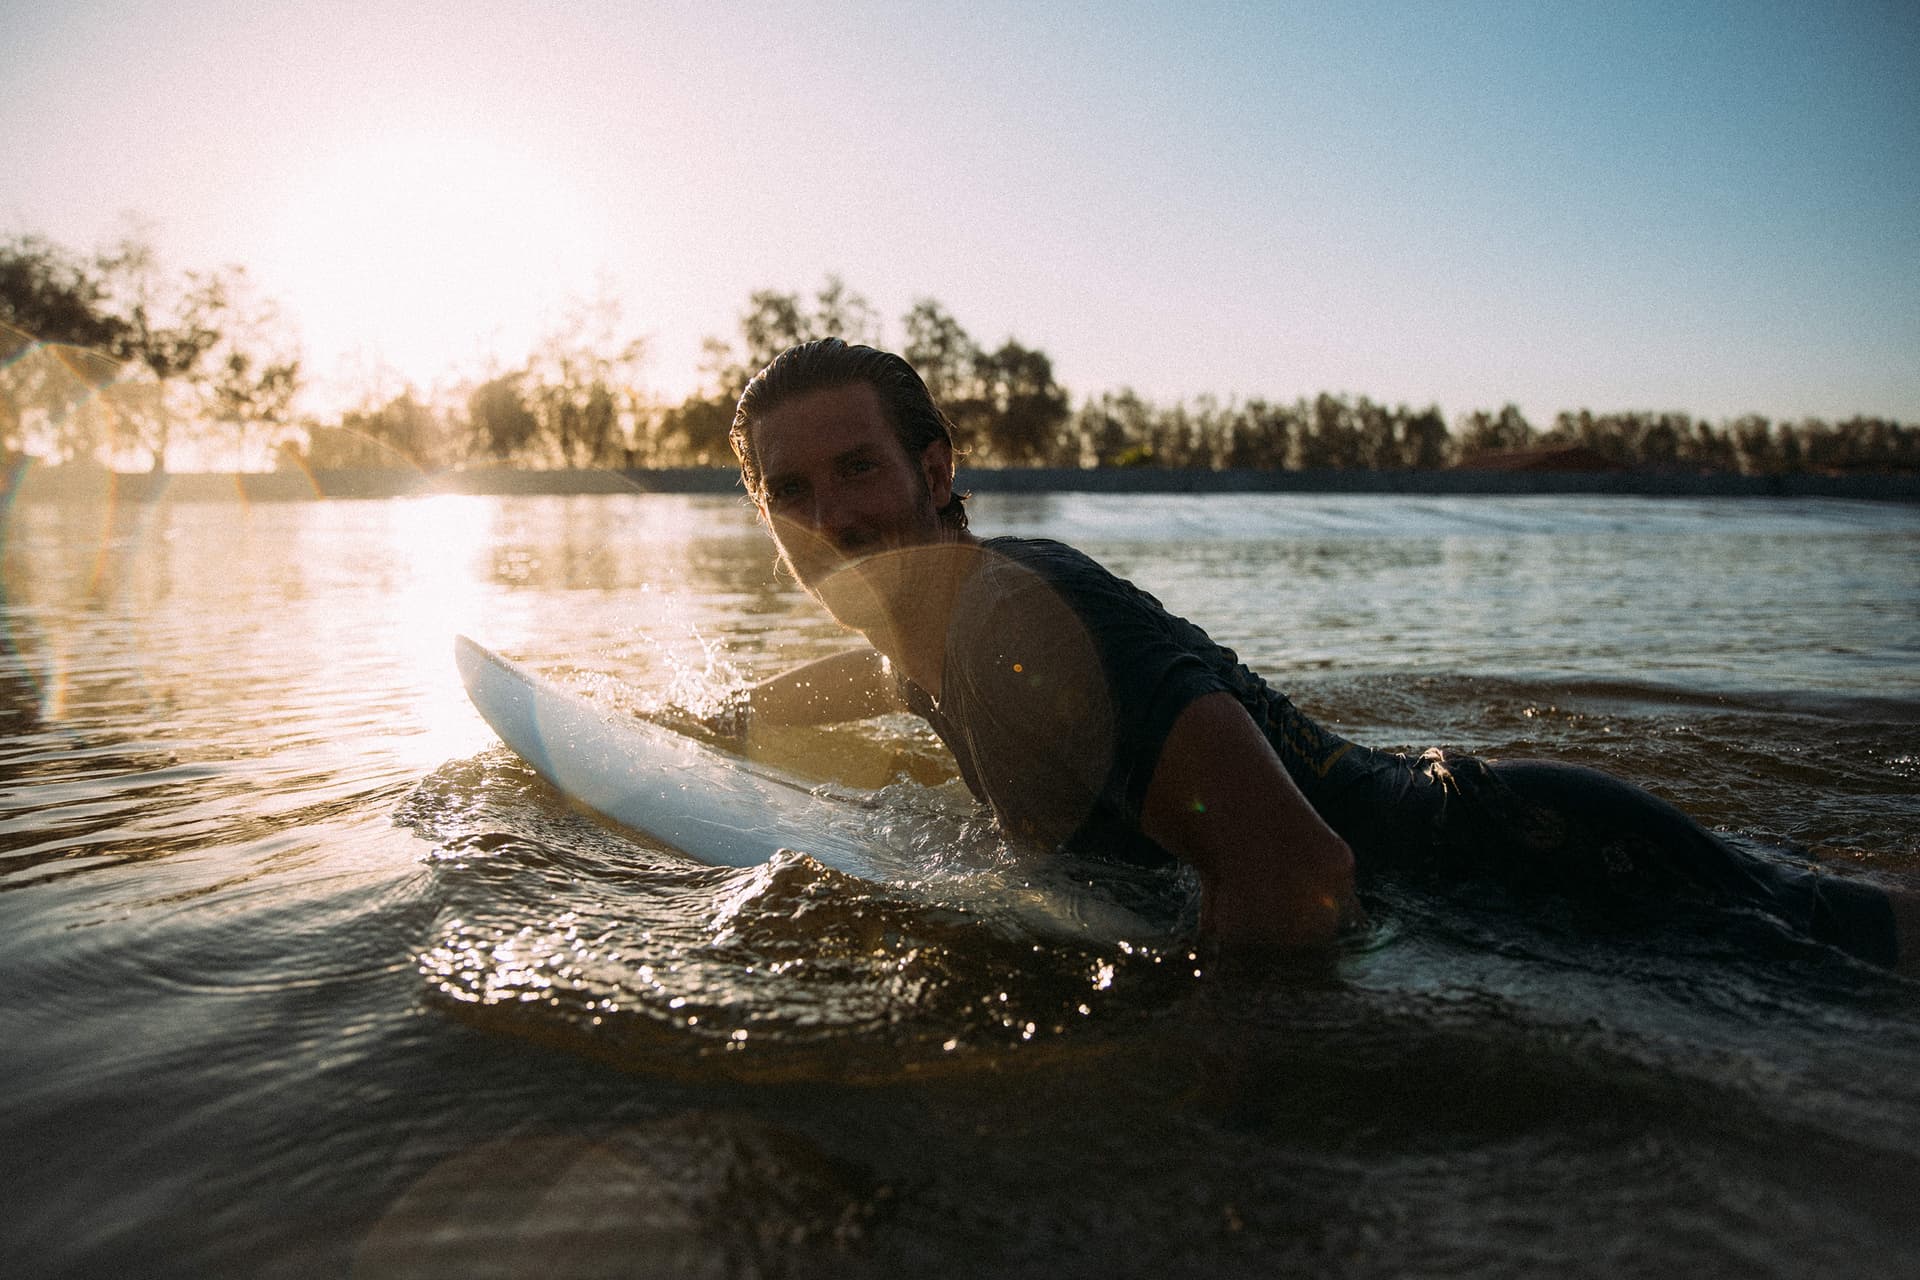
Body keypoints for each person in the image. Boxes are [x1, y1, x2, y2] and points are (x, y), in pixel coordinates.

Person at [717, 337, 1914, 971]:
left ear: (936, 471)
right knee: (1837, 899)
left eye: (860, 467)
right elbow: (867, 684)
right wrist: (718, 720)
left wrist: (1209, 1103)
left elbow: (1298, 876)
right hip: (1505, 841)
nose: (832, 517)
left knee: (1866, 953)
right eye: (791, 489)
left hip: (1539, 873)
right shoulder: (931, 636)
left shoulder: (1006, 622)